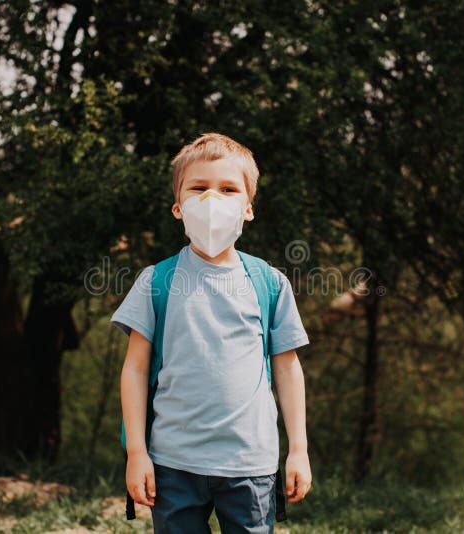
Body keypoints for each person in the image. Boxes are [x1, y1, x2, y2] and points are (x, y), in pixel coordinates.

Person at [111, 132, 312, 533]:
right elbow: (134, 370)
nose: (211, 200)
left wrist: (299, 450)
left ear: (248, 209)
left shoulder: (269, 284)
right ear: (177, 207)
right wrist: (136, 452)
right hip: (172, 462)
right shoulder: (156, 281)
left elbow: (288, 370)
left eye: (228, 189)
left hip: (250, 464)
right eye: (198, 188)